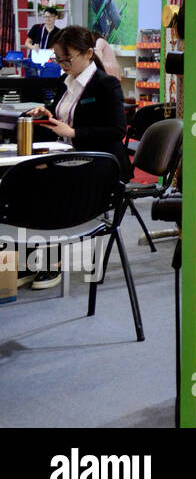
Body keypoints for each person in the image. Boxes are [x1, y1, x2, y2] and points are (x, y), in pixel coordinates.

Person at [22, 25, 130, 290]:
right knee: (26, 180)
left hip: (101, 163)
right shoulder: (66, 82)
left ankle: (52, 262)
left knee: (47, 186)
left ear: (88, 53)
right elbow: (62, 113)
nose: (62, 65)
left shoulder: (106, 85)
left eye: (66, 59)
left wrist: (73, 132)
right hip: (71, 157)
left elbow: (116, 131)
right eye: (58, 59)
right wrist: (46, 113)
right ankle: (33, 260)